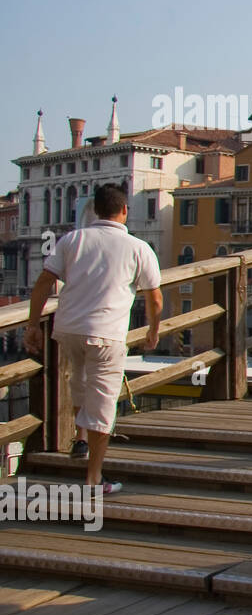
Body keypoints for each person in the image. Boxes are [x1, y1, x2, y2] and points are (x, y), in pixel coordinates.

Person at [24, 184, 161, 494]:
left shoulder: (73, 239)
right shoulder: (138, 248)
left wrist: (33, 324)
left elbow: (45, 280)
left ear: (95, 210)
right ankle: (94, 479)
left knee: (80, 383)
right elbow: (155, 298)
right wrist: (153, 329)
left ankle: (81, 438)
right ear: (125, 210)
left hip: (69, 329)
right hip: (106, 334)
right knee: (102, 404)